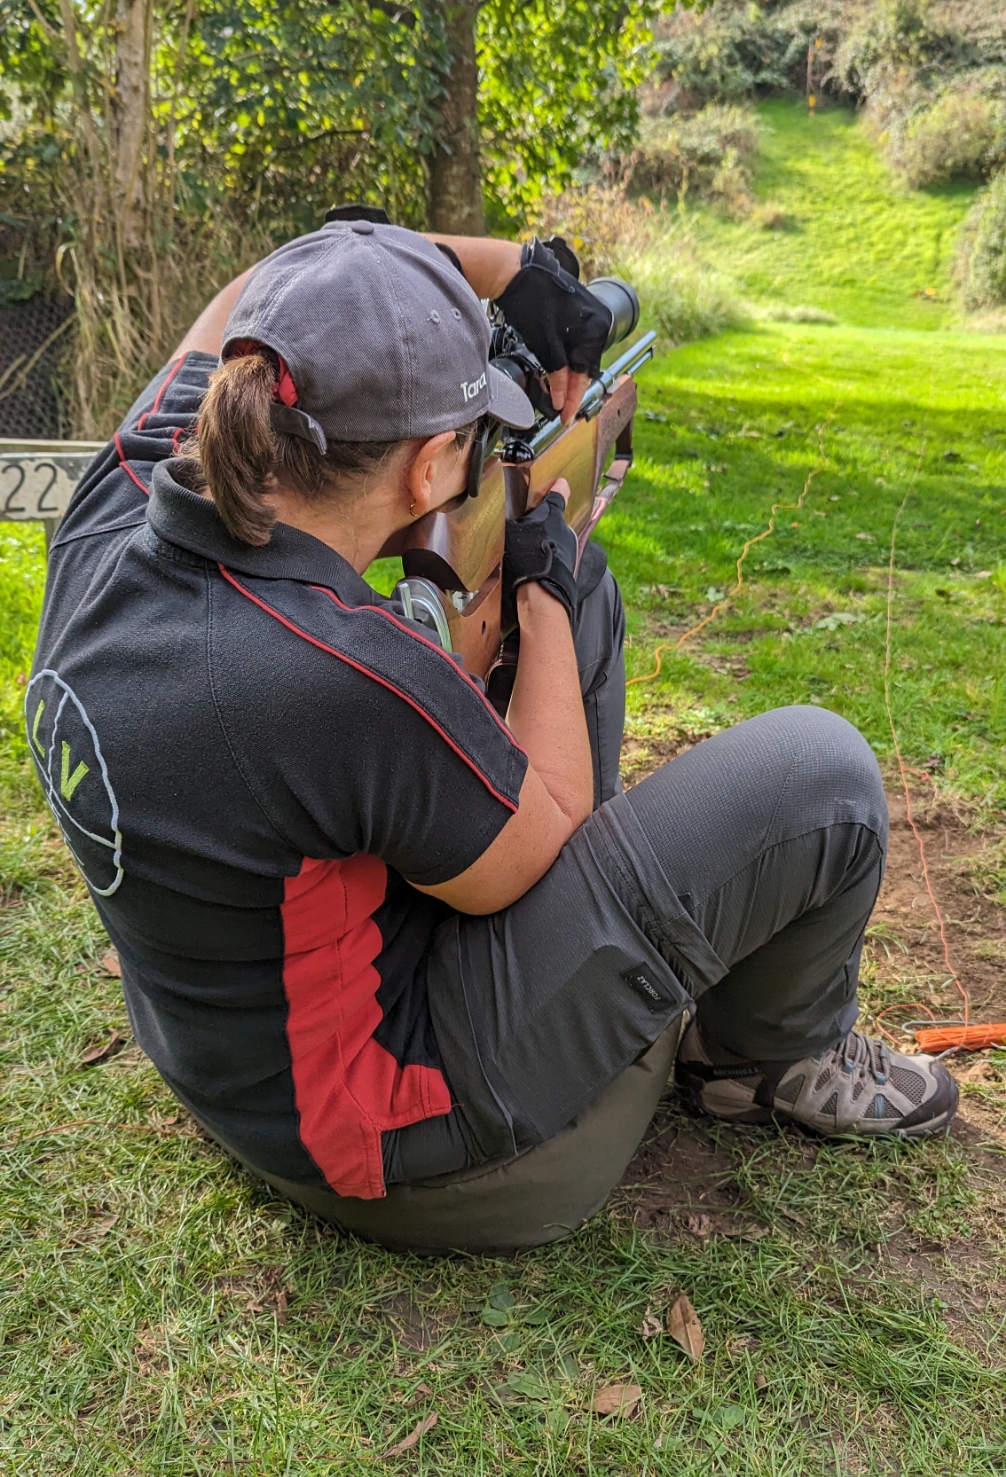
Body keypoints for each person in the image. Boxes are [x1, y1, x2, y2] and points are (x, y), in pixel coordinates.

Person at [26, 216, 959, 1254]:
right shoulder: (338, 678)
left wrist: (516, 271)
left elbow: (272, 277)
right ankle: (759, 1062)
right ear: (432, 470)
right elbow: (540, 842)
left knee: (577, 589)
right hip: (419, 1150)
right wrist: (543, 590)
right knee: (820, 774)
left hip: (244, 1067)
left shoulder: (116, 511)